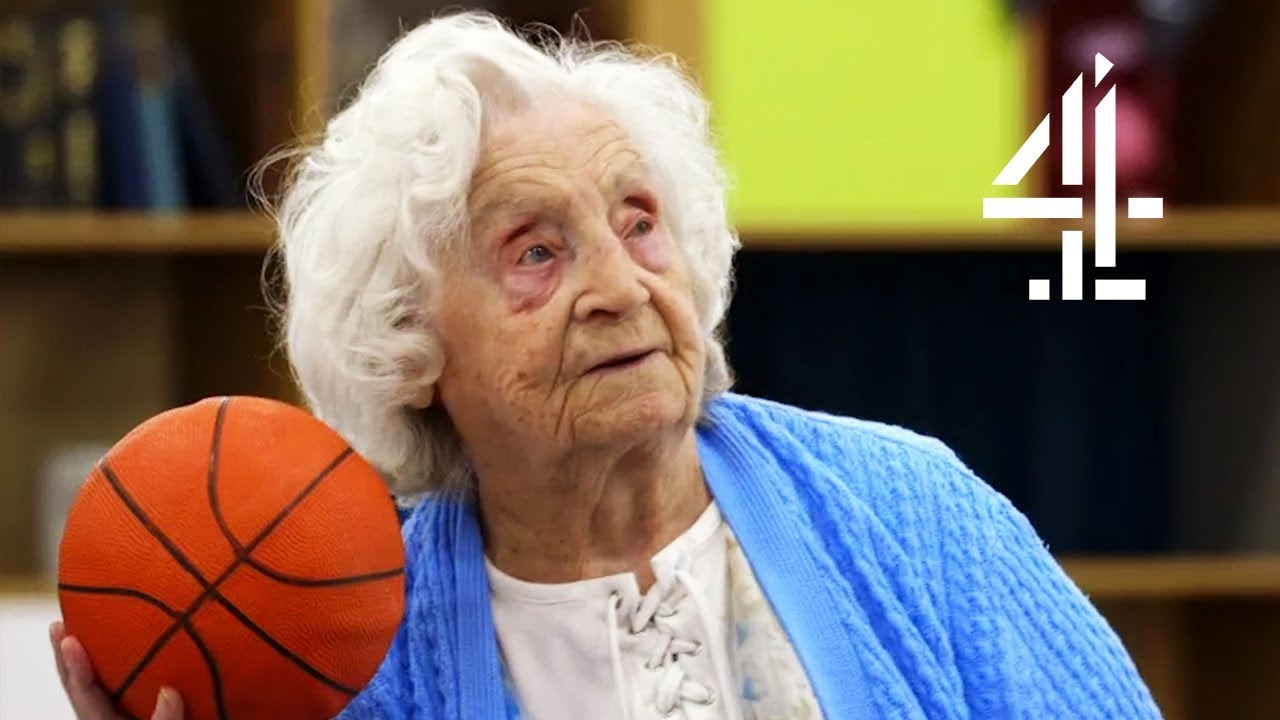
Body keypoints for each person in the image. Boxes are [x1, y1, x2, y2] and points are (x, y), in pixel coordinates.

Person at [50, 10, 1161, 720]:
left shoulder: (908, 512)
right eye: (534, 251)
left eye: (638, 223)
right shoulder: (345, 647)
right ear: (410, 342)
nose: (621, 288)